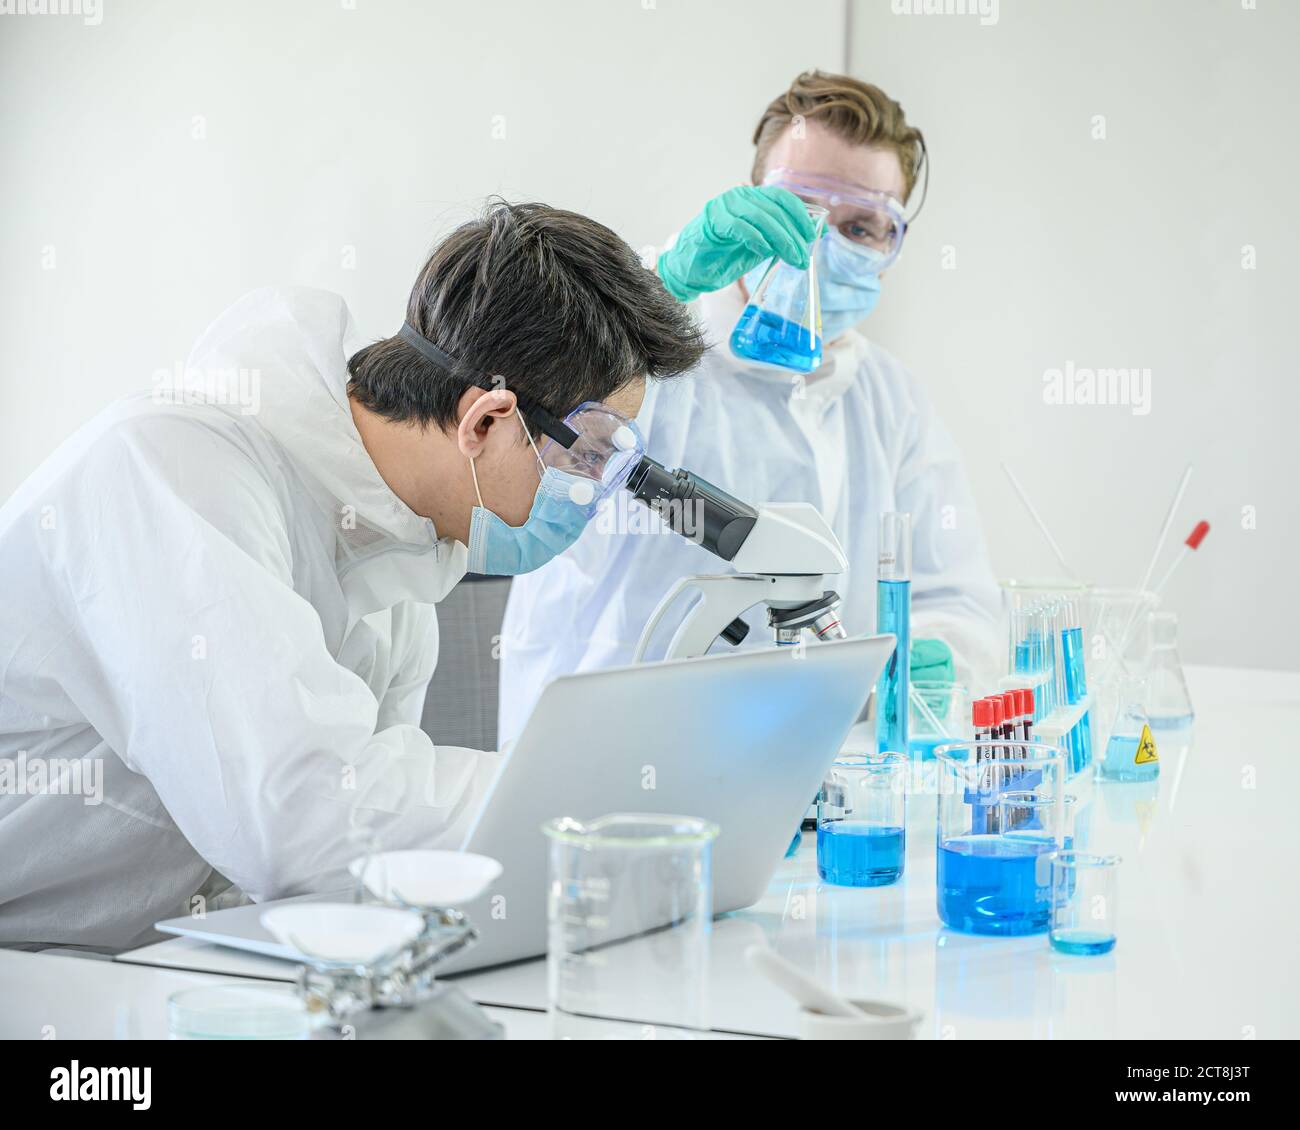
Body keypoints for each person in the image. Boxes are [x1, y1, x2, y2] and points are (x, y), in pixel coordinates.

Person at [0, 201, 705, 951]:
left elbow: (366, 856)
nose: (594, 493)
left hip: (175, 955)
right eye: (590, 455)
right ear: (487, 421)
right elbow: (299, 824)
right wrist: (598, 797)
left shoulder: (402, 557)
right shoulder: (170, 470)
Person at [499, 71, 1001, 747]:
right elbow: (523, 452)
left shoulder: (892, 400)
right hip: (604, 770)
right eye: (797, 211)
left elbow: (954, 597)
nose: (818, 245)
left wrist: (940, 660)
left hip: (803, 783)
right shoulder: (649, 359)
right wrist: (653, 296)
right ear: (750, 208)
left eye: (860, 227)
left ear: (888, 253)